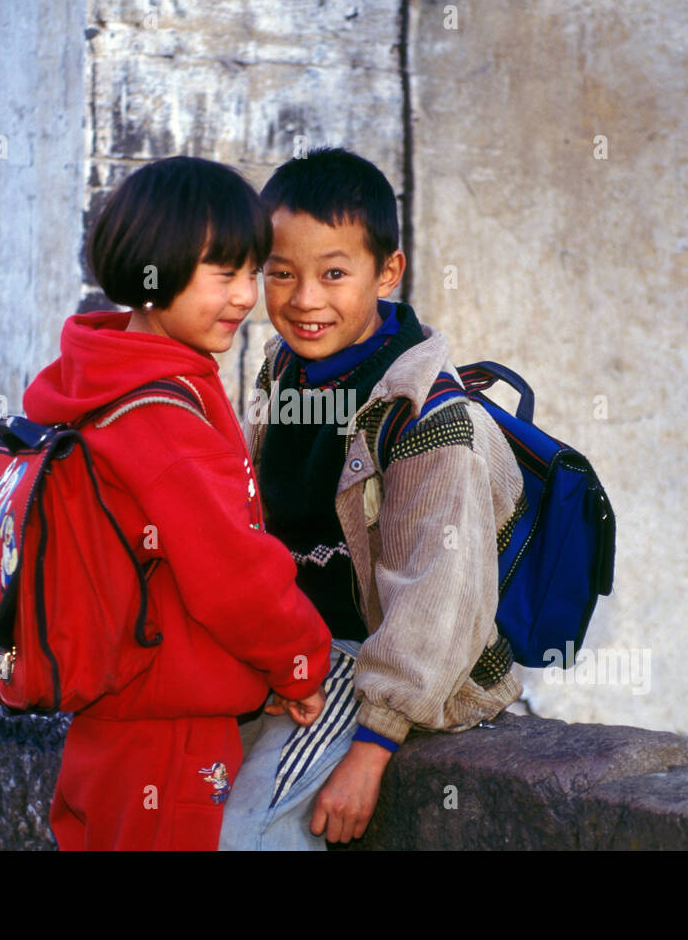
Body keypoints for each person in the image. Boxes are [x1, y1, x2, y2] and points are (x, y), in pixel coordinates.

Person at [21, 155, 332, 851]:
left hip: (108, 724)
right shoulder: (162, 418)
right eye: (224, 275)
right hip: (171, 736)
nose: (246, 297)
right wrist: (301, 663)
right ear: (152, 270)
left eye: (250, 273)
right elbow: (232, 575)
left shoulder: (102, 381)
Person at [219, 147, 526, 849]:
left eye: (334, 273)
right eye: (281, 273)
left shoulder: (426, 416)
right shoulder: (286, 369)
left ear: (387, 271)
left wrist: (373, 744)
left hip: (370, 666)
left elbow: (438, 590)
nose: (304, 300)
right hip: (296, 652)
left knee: (242, 832)